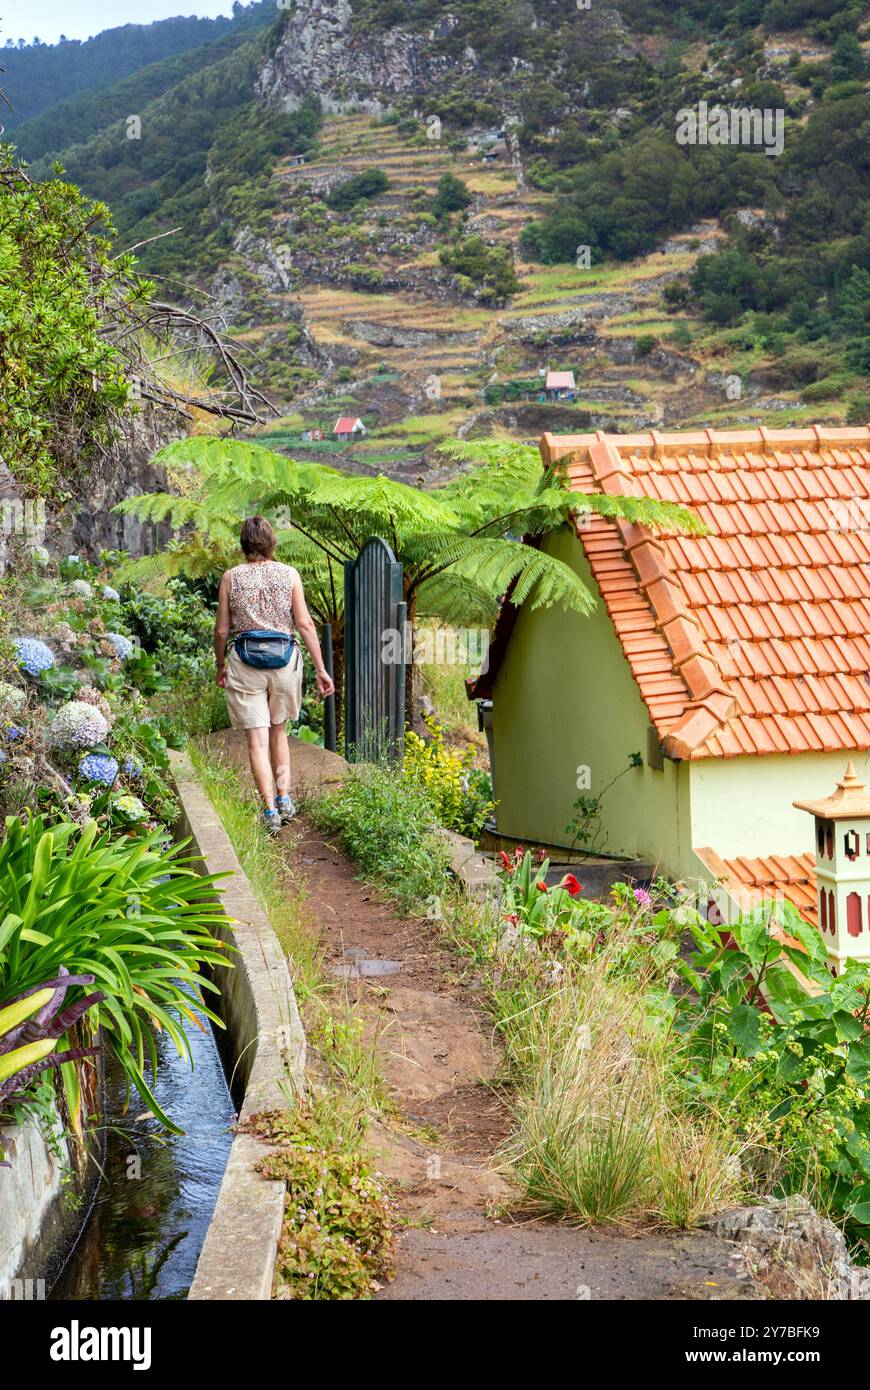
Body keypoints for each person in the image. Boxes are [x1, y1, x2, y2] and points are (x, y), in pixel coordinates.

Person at [214, 516, 335, 834]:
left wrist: (220, 665)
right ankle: (284, 799)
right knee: (278, 733)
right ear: (272, 543)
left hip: (245, 663)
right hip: (284, 664)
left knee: (257, 739)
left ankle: (269, 811)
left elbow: (222, 630)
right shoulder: (289, 574)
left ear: (243, 545)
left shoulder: (231, 577)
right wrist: (321, 669)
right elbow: (306, 625)